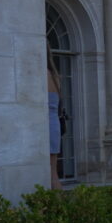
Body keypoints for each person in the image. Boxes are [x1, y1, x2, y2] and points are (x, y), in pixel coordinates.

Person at [46, 59, 62, 189]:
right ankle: (59, 207)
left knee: (48, 174)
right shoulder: (55, 75)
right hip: (54, 124)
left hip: (45, 126)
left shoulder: (42, 74)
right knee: (53, 173)